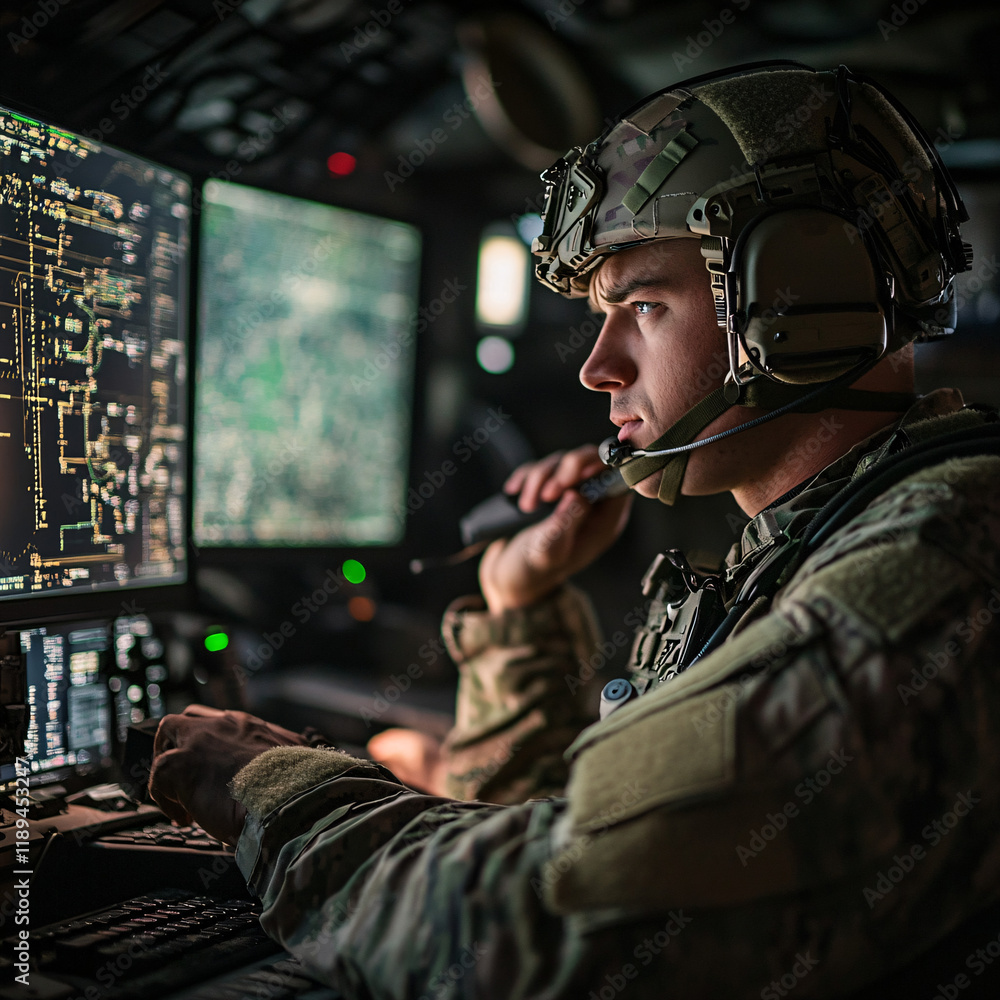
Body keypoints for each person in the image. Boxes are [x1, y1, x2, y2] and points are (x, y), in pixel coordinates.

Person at [150, 63, 1000, 998]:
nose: (598, 368)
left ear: (797, 294)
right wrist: (521, 609)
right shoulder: (811, 541)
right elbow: (562, 842)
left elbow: (528, 939)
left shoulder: (939, 557)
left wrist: (271, 787)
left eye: (642, 306)